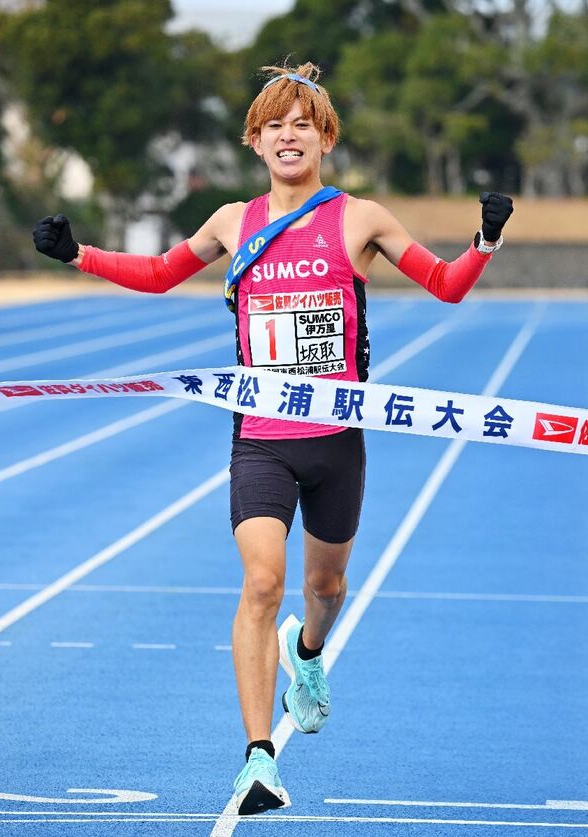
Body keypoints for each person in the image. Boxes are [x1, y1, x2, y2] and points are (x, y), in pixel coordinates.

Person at [33, 61, 513, 816]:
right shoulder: (234, 221)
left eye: (304, 123)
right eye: (275, 125)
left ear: (325, 138)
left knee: (324, 588)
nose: (290, 135)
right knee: (262, 581)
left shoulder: (362, 218)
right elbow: (162, 272)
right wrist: (77, 254)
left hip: (337, 441)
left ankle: (310, 654)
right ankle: (258, 759)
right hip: (260, 435)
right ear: (255, 141)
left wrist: (484, 238)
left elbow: (446, 285)